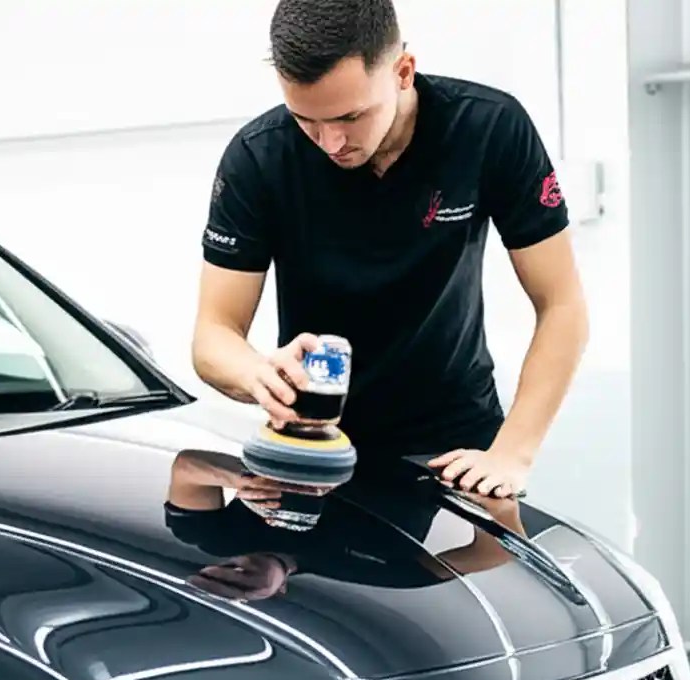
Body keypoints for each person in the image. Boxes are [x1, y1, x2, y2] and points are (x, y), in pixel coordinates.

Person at [190, 0, 589, 500]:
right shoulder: (257, 157)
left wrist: (514, 452)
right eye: (306, 120)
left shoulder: (489, 128)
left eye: (351, 116)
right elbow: (212, 336)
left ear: (403, 71)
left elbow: (563, 306)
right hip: (317, 449)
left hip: (454, 446)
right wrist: (255, 374)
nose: (330, 142)